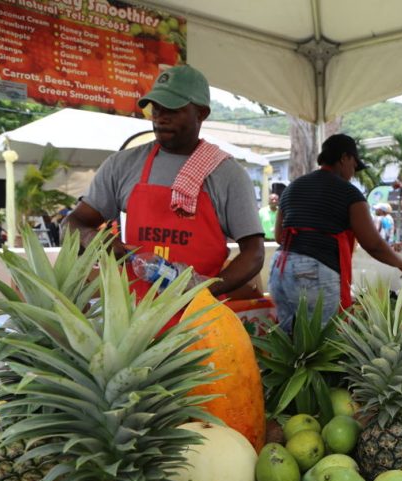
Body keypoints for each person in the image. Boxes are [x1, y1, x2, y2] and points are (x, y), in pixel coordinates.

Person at [64, 64, 264, 303]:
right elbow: (72, 222)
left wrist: (204, 291)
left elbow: (253, 253)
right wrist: (91, 239)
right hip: (134, 317)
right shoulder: (122, 165)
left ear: (201, 113)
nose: (160, 118)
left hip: (198, 318)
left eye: (172, 109)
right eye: (156, 109)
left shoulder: (227, 174)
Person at [269, 133, 402, 331]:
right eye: (354, 165)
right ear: (345, 158)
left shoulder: (293, 187)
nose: (353, 172)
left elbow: (279, 236)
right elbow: (373, 244)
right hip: (313, 271)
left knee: (288, 340)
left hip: (279, 269)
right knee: (322, 344)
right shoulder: (348, 192)